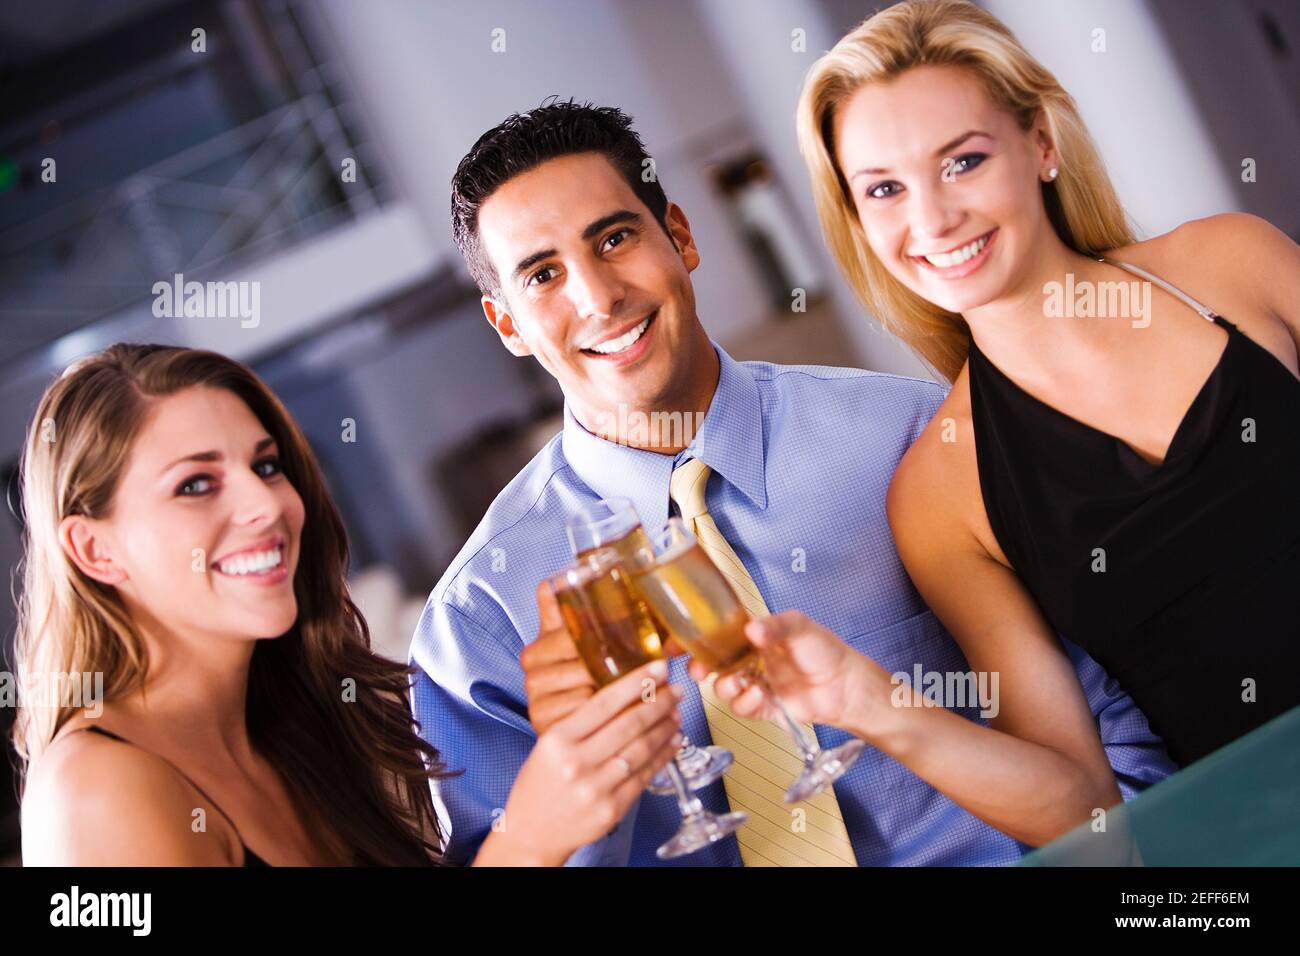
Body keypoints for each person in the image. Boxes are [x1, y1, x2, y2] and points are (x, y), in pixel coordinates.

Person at [413, 98, 1175, 868]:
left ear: (680, 236)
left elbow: (1115, 733)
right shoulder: (480, 620)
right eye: (542, 275)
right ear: (506, 324)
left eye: (615, 238)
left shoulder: (913, 438)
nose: (598, 296)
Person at [733, 0, 1300, 772]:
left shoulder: (1234, 264)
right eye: (884, 190)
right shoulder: (940, 494)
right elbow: (1076, 799)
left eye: (963, 161)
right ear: (856, 220)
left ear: (1040, 143)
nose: (933, 218)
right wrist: (866, 703)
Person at [15, 344, 682, 866]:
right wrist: (528, 841)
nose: (266, 504)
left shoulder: (301, 724)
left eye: (266, 466)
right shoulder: (94, 792)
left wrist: (543, 757)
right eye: (196, 484)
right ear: (95, 551)